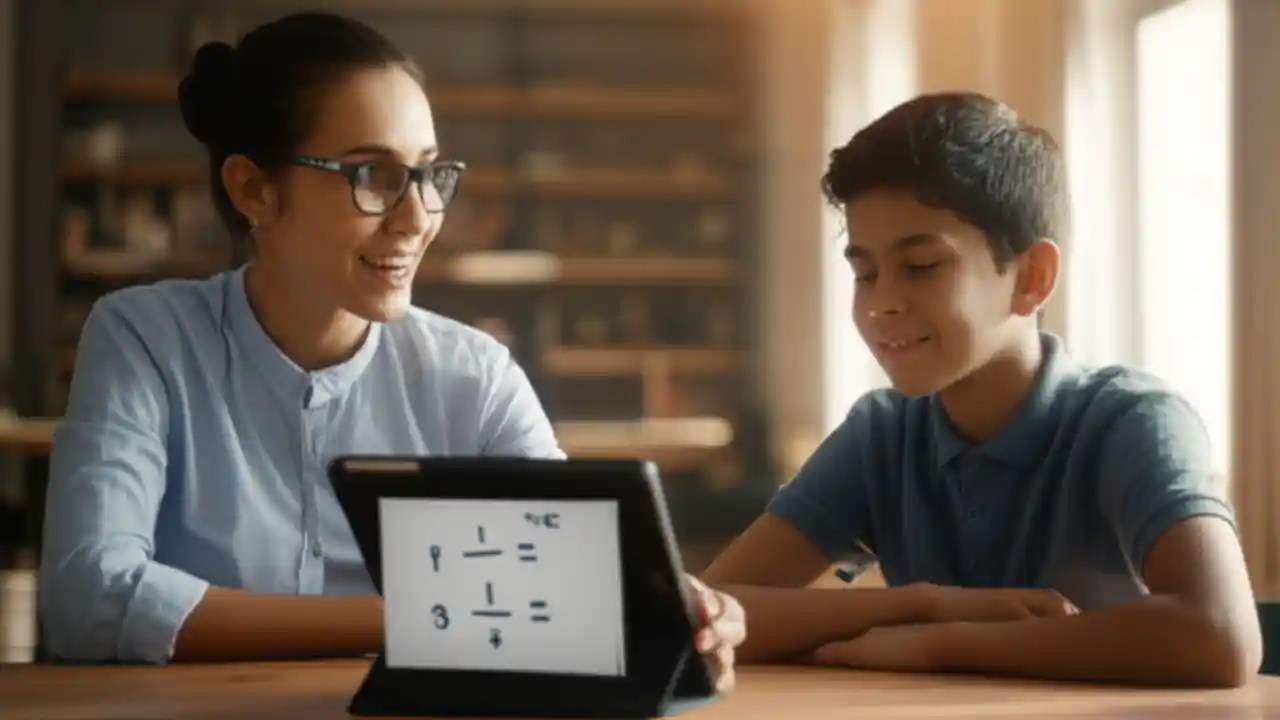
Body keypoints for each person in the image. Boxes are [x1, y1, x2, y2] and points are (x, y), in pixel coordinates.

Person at [39, 12, 744, 685]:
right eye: (371, 175)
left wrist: (667, 601)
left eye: (429, 175)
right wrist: (416, 621)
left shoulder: (476, 377)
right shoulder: (145, 339)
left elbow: (571, 569)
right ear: (253, 189)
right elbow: (87, 597)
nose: (418, 217)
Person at [703, 92, 1261, 688]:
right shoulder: (884, 435)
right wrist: (922, 604)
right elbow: (705, 614)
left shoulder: (1133, 422)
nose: (880, 303)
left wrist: (944, 643)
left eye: (921, 266)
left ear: (1031, 278)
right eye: (864, 273)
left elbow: (1220, 635)